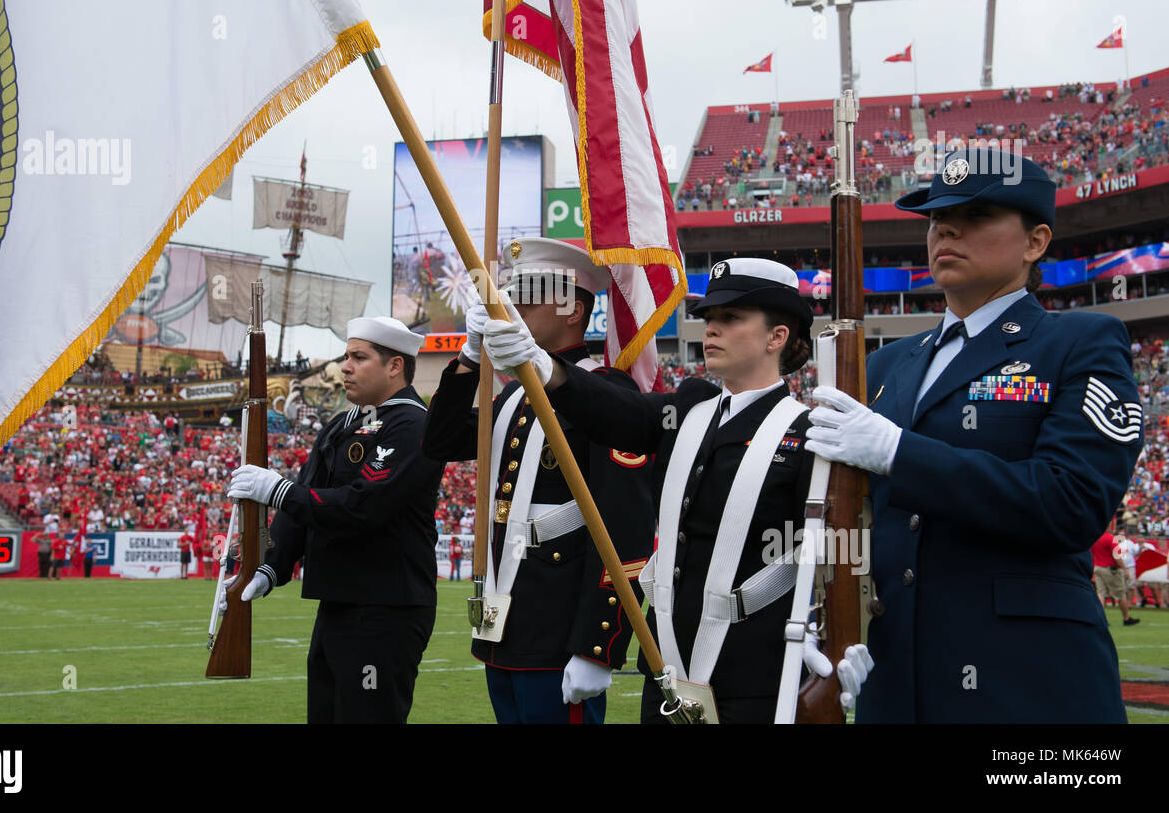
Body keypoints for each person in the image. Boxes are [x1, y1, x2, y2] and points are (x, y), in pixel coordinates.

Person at [805, 147, 1145, 722]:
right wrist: (830, 617)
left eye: (979, 215)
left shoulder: (1079, 343)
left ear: (1035, 243)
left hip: (1025, 682)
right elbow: (856, 521)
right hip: (897, 678)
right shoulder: (887, 368)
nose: (947, 229)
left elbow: (1070, 504)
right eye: (937, 218)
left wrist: (897, 451)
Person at [481, 257, 869, 723]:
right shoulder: (690, 409)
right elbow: (616, 412)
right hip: (668, 664)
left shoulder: (806, 432)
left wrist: (844, 636)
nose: (712, 330)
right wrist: (545, 368)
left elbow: (847, 547)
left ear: (776, 337)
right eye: (709, 319)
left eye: (731, 319)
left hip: (755, 669)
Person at [422, 238, 655, 724]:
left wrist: (599, 645)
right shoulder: (511, 397)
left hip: (562, 629)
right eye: (511, 292)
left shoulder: (606, 394)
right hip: (507, 620)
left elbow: (623, 526)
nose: (510, 304)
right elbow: (441, 442)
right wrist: (469, 357)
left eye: (528, 294)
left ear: (572, 309)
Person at [224, 316, 445, 724]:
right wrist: (269, 565)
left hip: (385, 610)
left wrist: (277, 490)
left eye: (359, 357)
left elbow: (360, 507)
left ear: (394, 366)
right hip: (338, 602)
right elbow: (305, 499)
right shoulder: (343, 424)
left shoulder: (414, 425)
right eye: (346, 356)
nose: (344, 366)